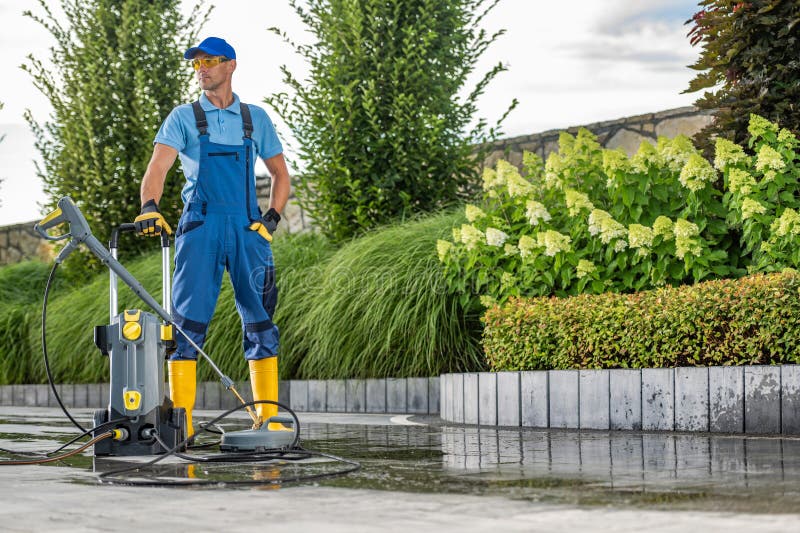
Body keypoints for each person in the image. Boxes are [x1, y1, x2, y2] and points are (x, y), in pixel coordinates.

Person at [133, 37, 291, 437]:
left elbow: (280, 174)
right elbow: (157, 169)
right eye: (196, 63)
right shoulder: (183, 118)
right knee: (185, 325)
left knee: (261, 322)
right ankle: (181, 424)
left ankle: (266, 419)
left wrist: (270, 219)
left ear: (231, 65)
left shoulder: (256, 119)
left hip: (246, 231)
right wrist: (150, 207)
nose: (201, 69)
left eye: (210, 61)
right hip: (200, 229)